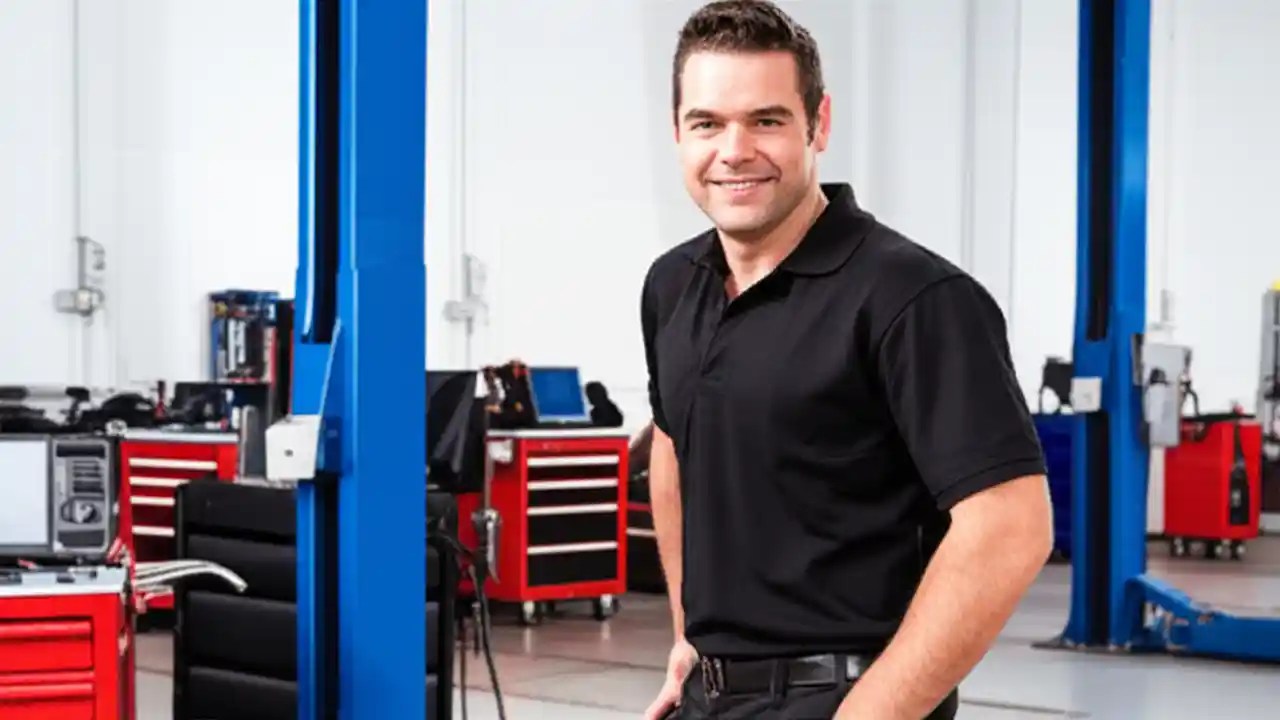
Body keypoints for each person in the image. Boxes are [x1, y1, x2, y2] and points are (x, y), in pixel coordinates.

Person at [639, 2, 1054, 718]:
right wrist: (687, 634)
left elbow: (1009, 527)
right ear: (677, 132)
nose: (734, 150)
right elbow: (676, 443)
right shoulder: (673, 285)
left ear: (818, 124)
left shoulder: (915, 298)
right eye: (707, 123)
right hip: (708, 698)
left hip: (847, 694)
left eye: (766, 120)